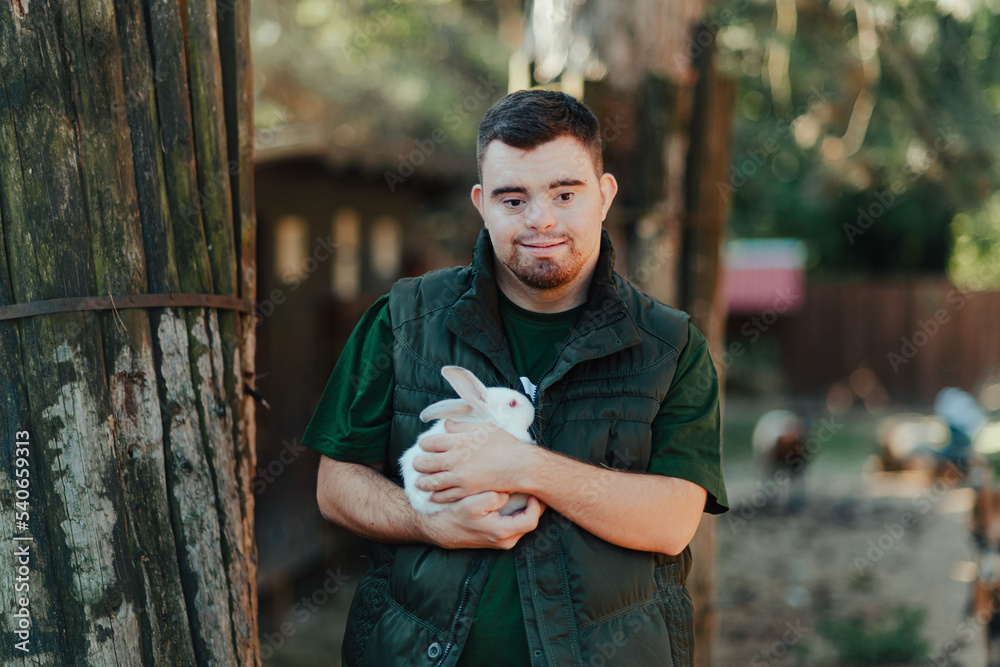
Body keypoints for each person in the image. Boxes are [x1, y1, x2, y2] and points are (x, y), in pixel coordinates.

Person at [302, 89, 728, 667]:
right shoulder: (403, 321)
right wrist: (432, 524)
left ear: (603, 197)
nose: (541, 219)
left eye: (564, 193)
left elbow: (674, 522)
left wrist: (524, 465)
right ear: (482, 204)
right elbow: (336, 485)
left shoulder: (670, 346)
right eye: (513, 198)